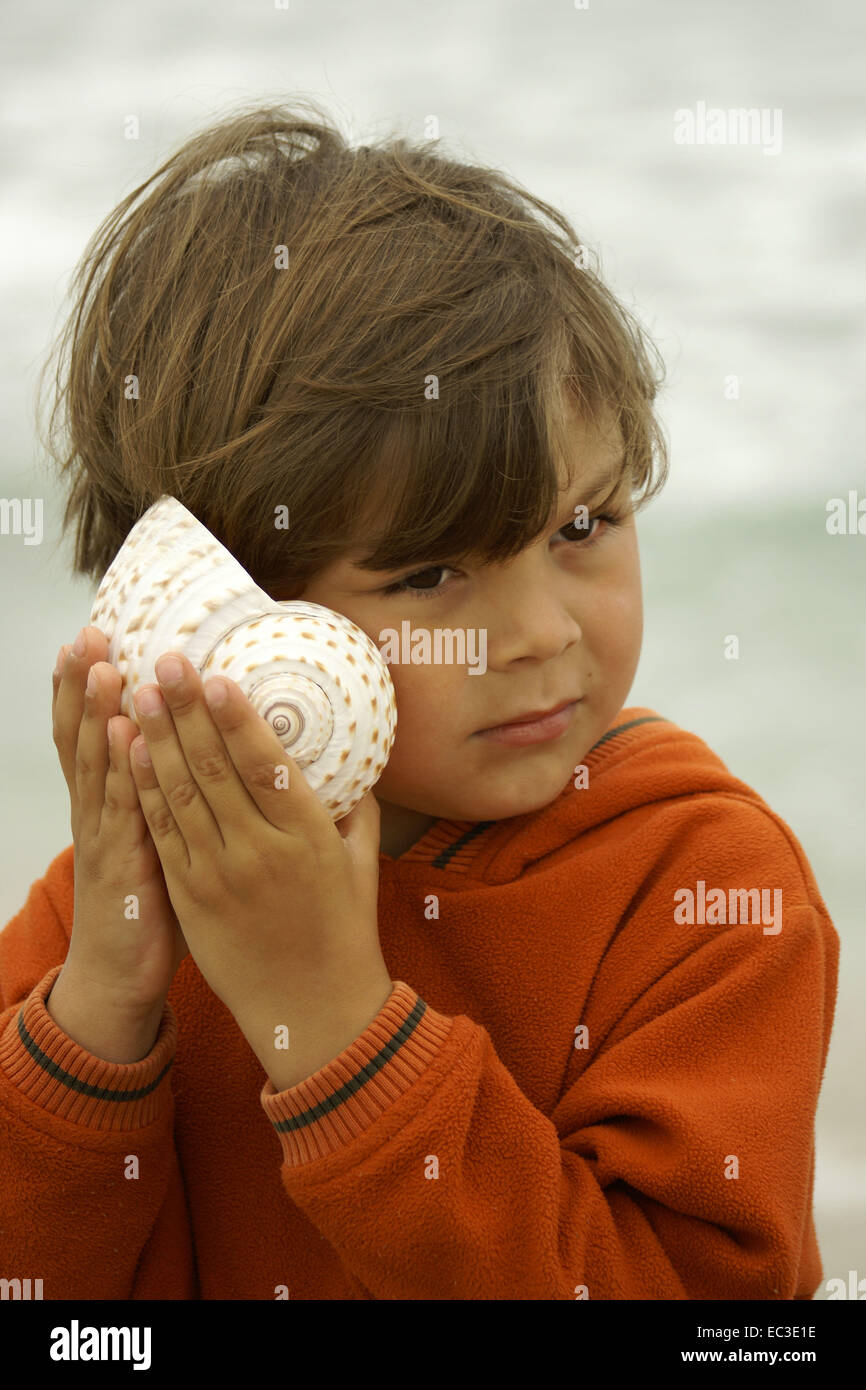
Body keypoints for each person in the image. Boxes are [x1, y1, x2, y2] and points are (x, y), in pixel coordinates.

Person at [0, 99, 838, 1300]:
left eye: (581, 525)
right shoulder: (128, 898)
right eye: (430, 573)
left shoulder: (700, 885)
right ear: (239, 604)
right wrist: (102, 1004)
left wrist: (332, 1024)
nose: (544, 632)